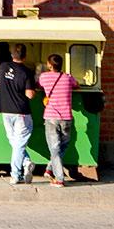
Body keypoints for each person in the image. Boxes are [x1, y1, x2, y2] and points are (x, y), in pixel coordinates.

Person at [0, 42, 38, 184]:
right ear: (24, 56)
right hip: (21, 112)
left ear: (12, 55)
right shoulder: (26, 72)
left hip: (5, 110)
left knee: (14, 141)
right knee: (18, 144)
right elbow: (30, 95)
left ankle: (25, 164)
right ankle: (16, 173)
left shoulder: (3, 67)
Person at [36, 52, 77, 187]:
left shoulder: (44, 77)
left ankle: (59, 179)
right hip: (66, 117)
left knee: (54, 149)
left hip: (51, 117)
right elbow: (77, 85)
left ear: (49, 65)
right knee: (62, 146)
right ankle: (49, 169)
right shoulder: (67, 77)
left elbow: (37, 85)